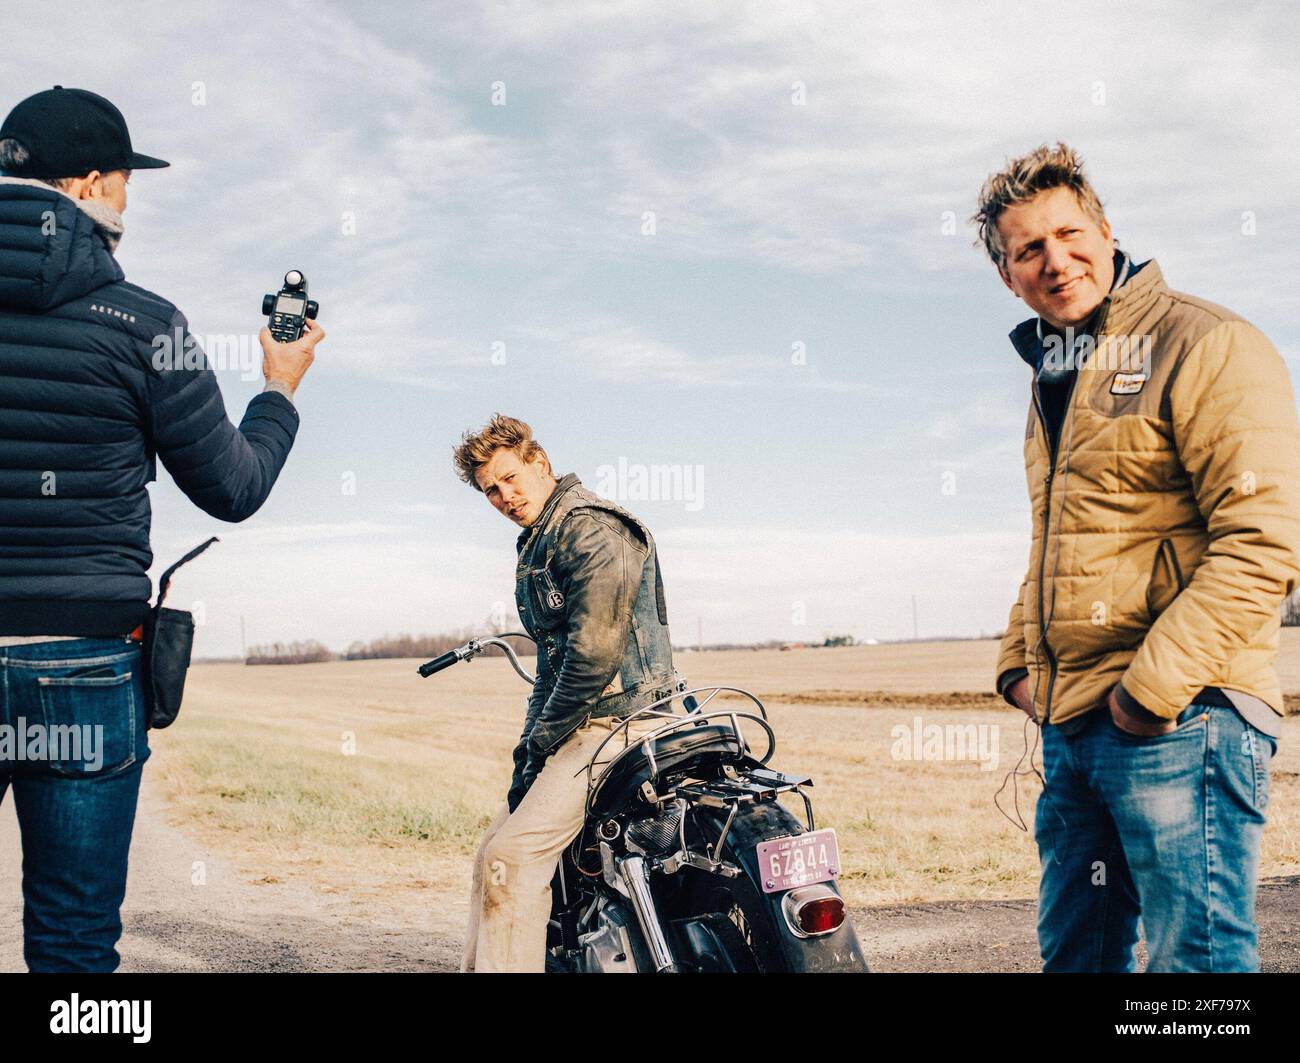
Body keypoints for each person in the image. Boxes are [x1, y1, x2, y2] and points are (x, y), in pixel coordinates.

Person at [0, 86, 325, 972]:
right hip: (87, 661)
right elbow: (233, 486)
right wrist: (280, 386)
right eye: (126, 184)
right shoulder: (148, 325)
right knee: (73, 941)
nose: (128, 203)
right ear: (95, 182)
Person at [975, 142, 1300, 972]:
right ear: (1008, 276)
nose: (1056, 260)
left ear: (1107, 230)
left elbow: (1264, 541)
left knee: (1191, 969)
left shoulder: (1206, 342)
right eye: (1028, 250)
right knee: (1077, 956)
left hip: (1182, 718)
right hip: (1073, 724)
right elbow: (1057, 540)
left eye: (1068, 232)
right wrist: (1019, 665)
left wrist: (1148, 695)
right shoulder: (1059, 375)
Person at [453, 414, 677, 972]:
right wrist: (529, 749)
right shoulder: (541, 541)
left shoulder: (589, 529)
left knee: (512, 856)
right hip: (589, 722)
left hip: (623, 719)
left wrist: (541, 743)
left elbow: (593, 658)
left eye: (510, 478)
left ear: (540, 462)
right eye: (491, 491)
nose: (505, 496)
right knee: (491, 853)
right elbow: (552, 666)